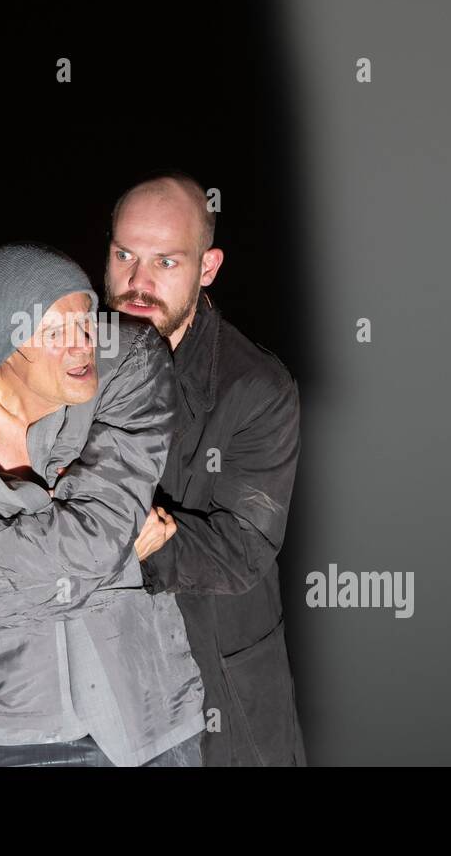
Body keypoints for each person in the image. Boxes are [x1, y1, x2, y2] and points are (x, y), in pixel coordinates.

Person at [0, 242, 205, 766]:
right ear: (4, 346)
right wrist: (115, 557)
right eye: (55, 333)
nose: (83, 346)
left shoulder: (130, 363)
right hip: (8, 728)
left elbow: (94, 539)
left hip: (145, 719)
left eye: (86, 323)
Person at [105, 170, 308, 766]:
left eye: (165, 262)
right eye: (124, 256)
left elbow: (244, 548)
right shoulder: (69, 354)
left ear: (207, 268)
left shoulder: (257, 388)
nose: (137, 284)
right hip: (101, 690)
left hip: (215, 688)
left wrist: (147, 540)